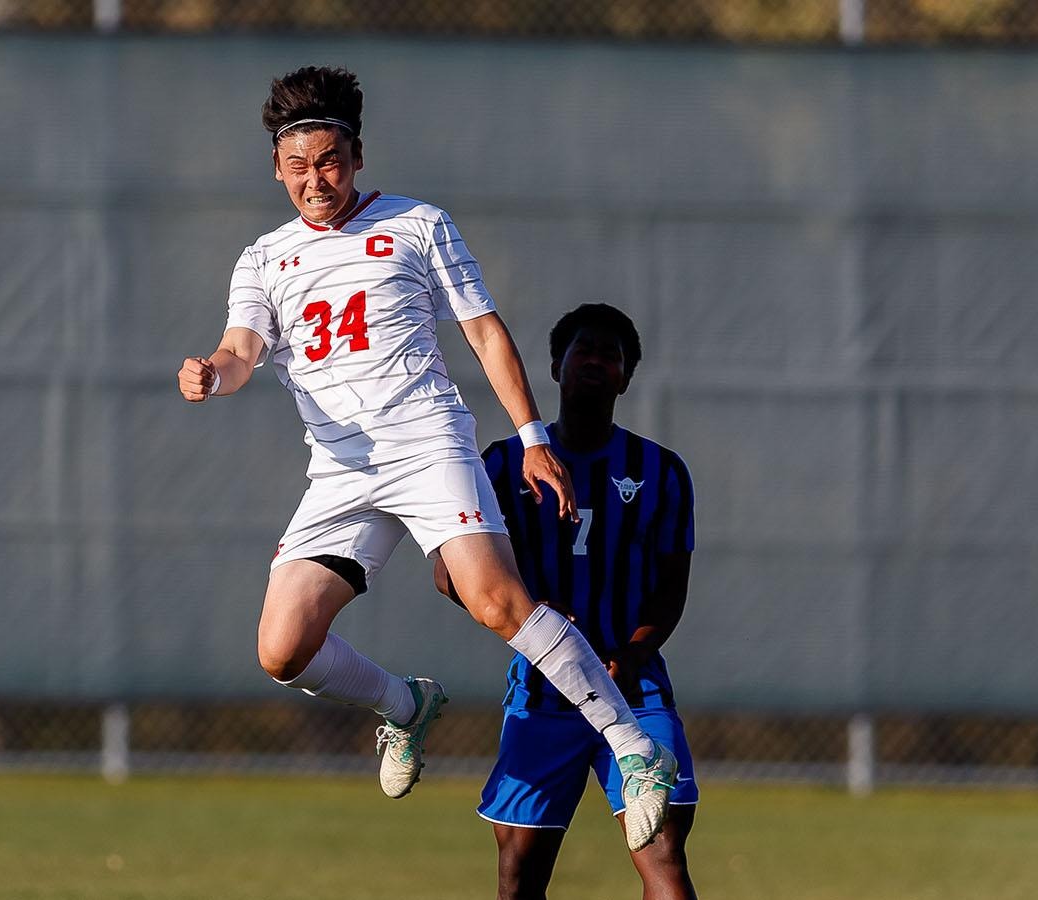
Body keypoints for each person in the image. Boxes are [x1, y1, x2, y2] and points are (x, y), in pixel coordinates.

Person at [176, 66, 676, 850]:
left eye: (330, 160)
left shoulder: (417, 224)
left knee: (494, 601)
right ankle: (404, 705)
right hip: (340, 469)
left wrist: (534, 439)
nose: (316, 179)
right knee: (281, 650)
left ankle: (635, 749)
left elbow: (482, 330)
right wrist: (214, 372)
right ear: (277, 167)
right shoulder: (263, 258)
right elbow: (243, 348)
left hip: (428, 442)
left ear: (359, 154)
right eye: (299, 165)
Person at [435, 304, 700, 899]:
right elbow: (450, 575)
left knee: (664, 848)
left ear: (626, 377)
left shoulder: (661, 471)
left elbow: (671, 587)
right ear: (555, 366)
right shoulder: (502, 466)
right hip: (541, 688)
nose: (596, 362)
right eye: (584, 350)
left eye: (612, 356)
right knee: (519, 871)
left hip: (635, 686)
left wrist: (631, 655)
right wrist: (527, 617)